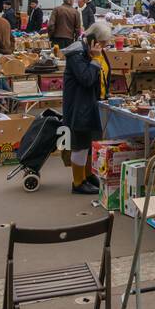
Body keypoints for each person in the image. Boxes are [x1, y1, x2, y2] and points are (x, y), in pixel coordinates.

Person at [61, 21, 114, 195]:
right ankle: (78, 182)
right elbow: (86, 79)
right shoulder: (77, 53)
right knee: (81, 144)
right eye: (104, 42)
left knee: (91, 143)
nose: (105, 46)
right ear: (94, 39)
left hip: (94, 103)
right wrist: (96, 59)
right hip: (80, 105)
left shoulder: (94, 51)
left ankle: (87, 176)